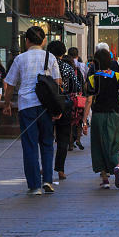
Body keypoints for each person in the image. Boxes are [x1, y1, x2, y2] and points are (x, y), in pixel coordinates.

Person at [2, 26, 58, 194]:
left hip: (27, 105)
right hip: (46, 106)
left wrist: (7, 103)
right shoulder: (50, 57)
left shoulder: (20, 59)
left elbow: (10, 85)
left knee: (30, 145)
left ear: (26, 41)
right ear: (44, 41)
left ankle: (34, 186)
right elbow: (58, 83)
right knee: (47, 143)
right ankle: (48, 179)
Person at [86, 49, 119, 189]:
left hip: (98, 115)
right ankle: (115, 166)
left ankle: (104, 178)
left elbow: (89, 100)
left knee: (98, 146)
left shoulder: (92, 77)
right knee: (114, 143)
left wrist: (84, 120)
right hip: (115, 114)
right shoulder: (116, 75)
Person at [48, 39, 85, 181]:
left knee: (46, 137)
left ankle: (45, 165)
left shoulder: (46, 67)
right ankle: (60, 170)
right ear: (63, 53)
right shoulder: (67, 67)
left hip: (48, 106)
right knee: (63, 138)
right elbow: (76, 86)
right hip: (65, 104)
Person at [67, 47, 88, 150]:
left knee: (70, 123)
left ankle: (70, 144)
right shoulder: (79, 70)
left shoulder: (66, 70)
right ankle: (78, 139)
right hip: (79, 99)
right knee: (79, 121)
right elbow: (83, 84)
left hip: (70, 99)